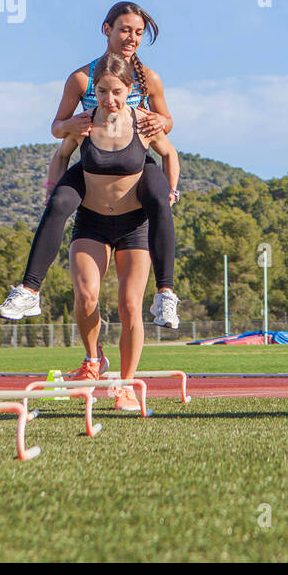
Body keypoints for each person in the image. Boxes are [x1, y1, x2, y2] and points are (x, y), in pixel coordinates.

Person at [0, 1, 182, 334]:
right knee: (59, 204)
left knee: (159, 200)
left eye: (138, 33)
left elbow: (167, 123)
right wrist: (72, 123)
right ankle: (29, 291)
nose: (132, 38)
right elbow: (56, 128)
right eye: (125, 30)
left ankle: (165, 293)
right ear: (107, 29)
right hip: (94, 159)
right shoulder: (81, 78)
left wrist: (160, 120)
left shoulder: (149, 78)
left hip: (135, 159)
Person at [52, 53, 179, 411]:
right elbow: (61, 152)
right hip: (92, 221)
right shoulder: (86, 123)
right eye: (104, 91)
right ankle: (94, 359)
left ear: (129, 92)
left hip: (134, 226)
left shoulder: (141, 122)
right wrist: (53, 191)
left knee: (129, 306)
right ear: (95, 91)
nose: (111, 99)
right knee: (85, 295)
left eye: (118, 92)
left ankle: (125, 386)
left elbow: (169, 153)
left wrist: (169, 194)